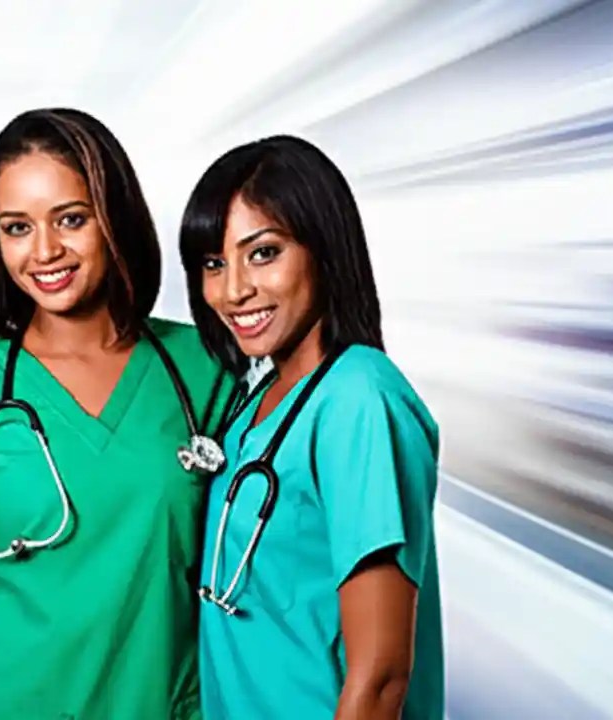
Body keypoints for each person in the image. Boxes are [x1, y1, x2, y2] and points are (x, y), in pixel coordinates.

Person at [0, 107, 236, 719]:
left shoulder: (204, 372)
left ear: (115, 218)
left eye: (71, 219)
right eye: (16, 227)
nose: (45, 251)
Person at [179, 135, 444, 719]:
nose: (234, 290)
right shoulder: (258, 405)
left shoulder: (358, 398)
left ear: (323, 249)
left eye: (264, 252)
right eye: (214, 263)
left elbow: (381, 676)